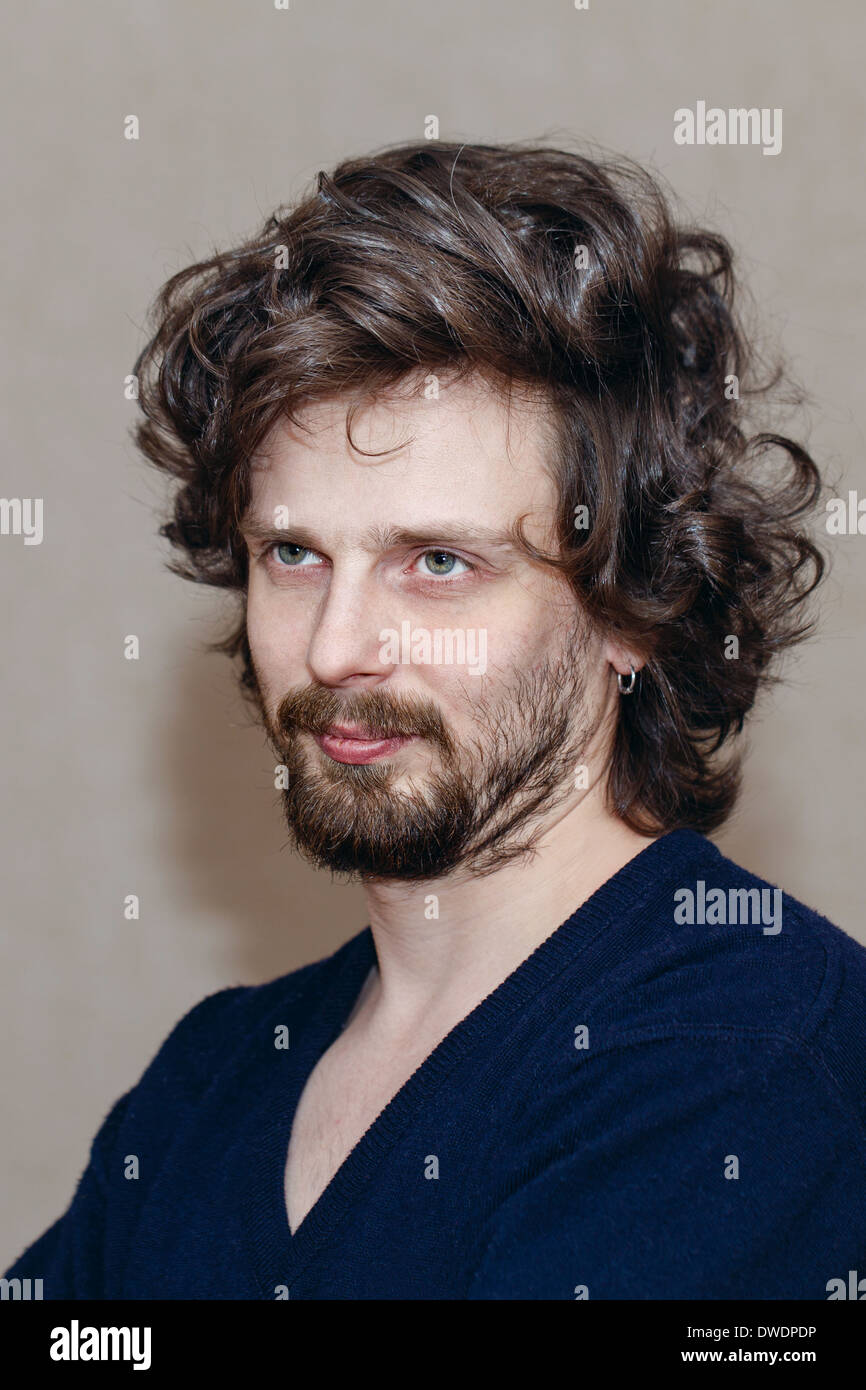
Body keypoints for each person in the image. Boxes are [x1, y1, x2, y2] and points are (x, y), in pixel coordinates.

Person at [5, 140, 866, 1300]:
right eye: (293, 553)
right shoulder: (211, 1082)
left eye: (439, 562)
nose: (334, 647)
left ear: (632, 612)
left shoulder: (749, 1060)